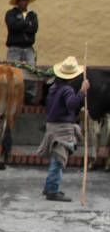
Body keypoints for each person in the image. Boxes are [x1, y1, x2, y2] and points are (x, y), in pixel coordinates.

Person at [37, 56, 89, 202]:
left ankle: (49, 187)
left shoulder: (54, 87)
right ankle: (52, 190)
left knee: (56, 159)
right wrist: (82, 92)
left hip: (52, 126)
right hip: (61, 128)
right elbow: (72, 105)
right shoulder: (67, 90)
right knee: (58, 160)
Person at [5, 0, 39, 66]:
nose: (25, 2)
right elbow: (12, 26)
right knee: (12, 72)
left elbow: (34, 28)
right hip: (14, 49)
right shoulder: (10, 13)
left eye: (26, 0)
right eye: (23, 0)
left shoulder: (32, 14)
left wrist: (19, 24)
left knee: (32, 72)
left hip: (29, 49)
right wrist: (27, 23)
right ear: (17, 2)